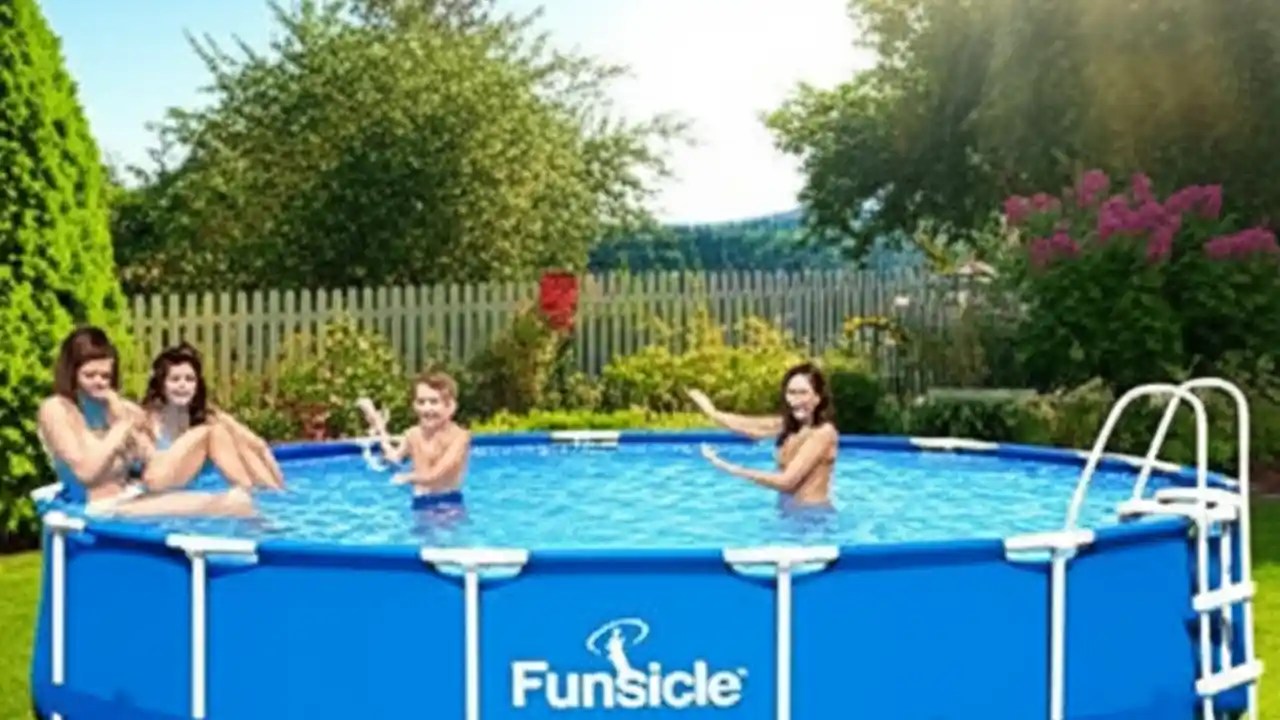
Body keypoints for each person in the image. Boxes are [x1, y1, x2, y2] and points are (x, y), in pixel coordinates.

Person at [35, 326, 255, 517]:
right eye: (90, 375)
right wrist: (121, 427)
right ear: (71, 373)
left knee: (217, 451)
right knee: (225, 504)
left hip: (131, 494)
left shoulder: (112, 406)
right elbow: (86, 472)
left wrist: (127, 423)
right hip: (99, 509)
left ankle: (260, 497)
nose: (99, 383)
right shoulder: (57, 409)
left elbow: (150, 458)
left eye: (105, 376)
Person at [687, 361, 838, 507]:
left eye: (803, 393)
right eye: (791, 393)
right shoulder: (789, 427)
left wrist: (728, 467)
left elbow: (786, 482)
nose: (796, 400)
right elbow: (747, 425)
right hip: (788, 516)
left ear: (817, 398)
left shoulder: (823, 433)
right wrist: (712, 412)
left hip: (813, 520)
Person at [139, 342, 285, 491]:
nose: (183, 385)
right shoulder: (148, 419)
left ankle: (270, 492)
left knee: (235, 438)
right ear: (161, 385)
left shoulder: (205, 415)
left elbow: (258, 445)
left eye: (190, 379)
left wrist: (280, 485)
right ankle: (245, 489)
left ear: (197, 385)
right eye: (175, 379)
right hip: (156, 484)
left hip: (182, 484)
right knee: (214, 431)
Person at [358, 370, 471, 511]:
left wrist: (406, 478)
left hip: (449, 502)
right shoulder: (412, 434)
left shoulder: (460, 437)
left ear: (450, 407)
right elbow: (394, 458)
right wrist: (380, 429)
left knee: (445, 532)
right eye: (421, 402)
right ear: (414, 405)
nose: (426, 408)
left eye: (434, 402)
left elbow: (435, 475)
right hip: (420, 501)